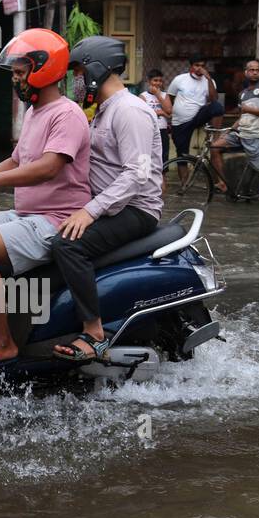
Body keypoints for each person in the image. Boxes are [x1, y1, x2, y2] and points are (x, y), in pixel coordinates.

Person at [0, 28, 92, 371]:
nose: (15, 81)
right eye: (14, 74)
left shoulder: (66, 114)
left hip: (57, 219)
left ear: (43, 69)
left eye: (19, 73)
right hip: (27, 212)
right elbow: (17, 160)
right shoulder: (34, 112)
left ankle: (3, 342)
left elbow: (46, 168)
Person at [50, 36, 163, 361]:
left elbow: (136, 174)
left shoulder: (129, 111)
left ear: (96, 70)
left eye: (80, 73)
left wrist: (89, 211)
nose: (77, 81)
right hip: (112, 204)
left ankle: (94, 332)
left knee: (67, 244)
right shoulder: (104, 110)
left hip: (136, 209)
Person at [210, 59, 259, 204]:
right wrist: (229, 130)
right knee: (214, 147)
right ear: (246, 72)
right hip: (240, 134)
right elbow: (242, 117)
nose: (255, 72)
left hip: (256, 136)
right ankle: (224, 184)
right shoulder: (243, 94)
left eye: (257, 70)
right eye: (251, 70)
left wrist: (248, 109)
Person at [167, 56, 222, 159]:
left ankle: (216, 139)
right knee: (182, 156)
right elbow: (170, 97)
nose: (199, 68)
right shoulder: (179, 79)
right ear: (191, 66)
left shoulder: (209, 81)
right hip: (180, 122)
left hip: (198, 118)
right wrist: (171, 113)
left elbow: (214, 99)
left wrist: (208, 78)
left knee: (217, 107)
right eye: (197, 65)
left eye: (202, 66)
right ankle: (185, 176)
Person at [139, 69, 173, 163]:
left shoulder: (164, 95)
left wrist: (158, 94)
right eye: (155, 80)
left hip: (162, 130)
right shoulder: (143, 96)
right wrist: (161, 113)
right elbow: (141, 115)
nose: (158, 83)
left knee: (163, 159)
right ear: (149, 81)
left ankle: (162, 177)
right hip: (148, 130)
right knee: (146, 158)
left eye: (160, 81)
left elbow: (169, 111)